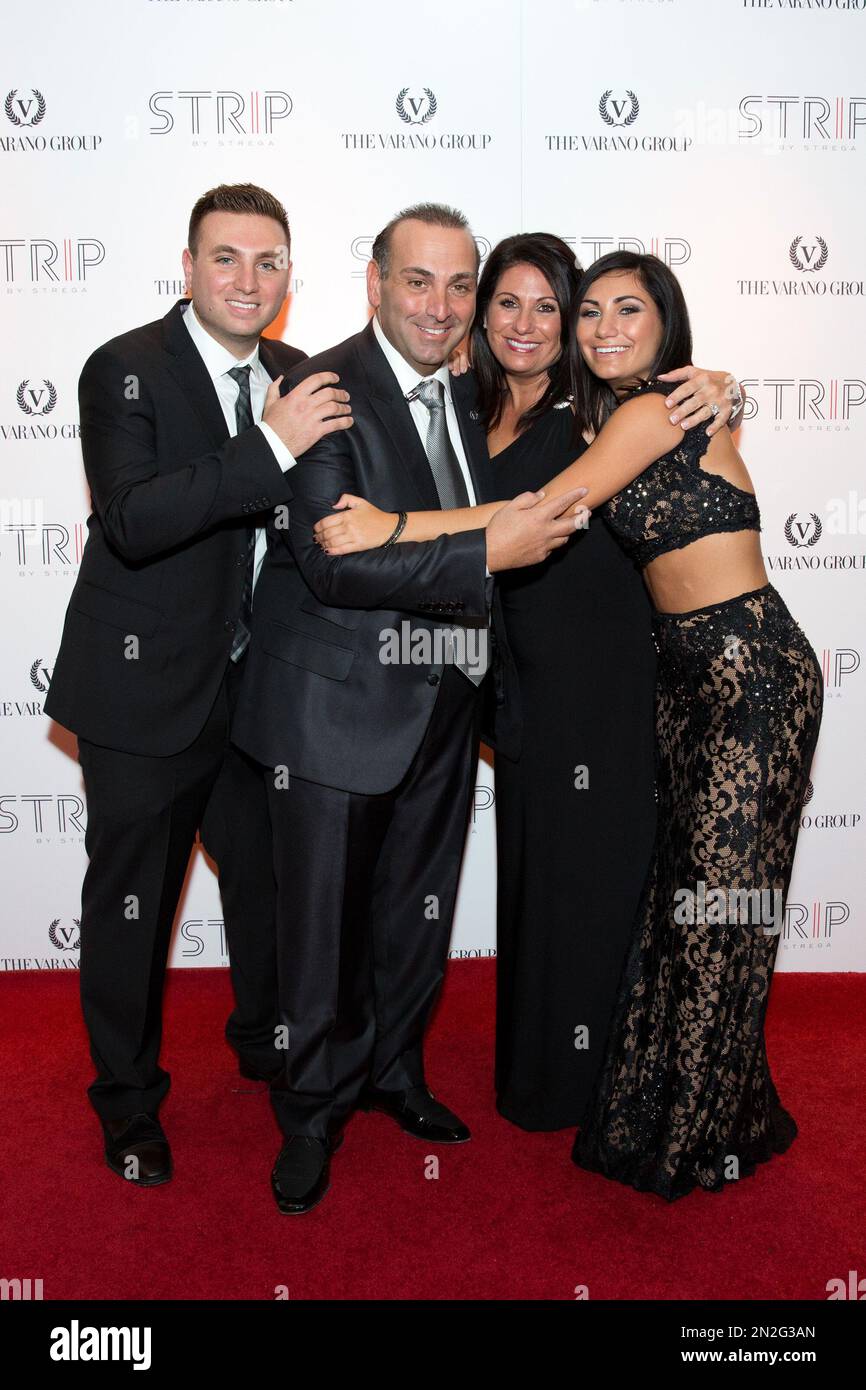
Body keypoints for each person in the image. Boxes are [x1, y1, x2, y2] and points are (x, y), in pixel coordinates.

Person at [323, 249, 822, 1200]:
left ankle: (695, 1131)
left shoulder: (649, 409)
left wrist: (390, 526)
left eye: (623, 311)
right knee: (685, 904)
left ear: (665, 322)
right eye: (588, 312)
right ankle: (682, 1101)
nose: (600, 329)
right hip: (678, 677)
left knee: (721, 910)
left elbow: (541, 511)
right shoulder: (618, 408)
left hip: (750, 672)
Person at [231, 203, 588, 1215]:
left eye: (458, 284)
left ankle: (392, 1074)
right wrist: (488, 550)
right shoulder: (320, 389)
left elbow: (600, 379)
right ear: (375, 284)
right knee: (319, 933)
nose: (440, 306)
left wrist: (707, 383)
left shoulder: (472, 391)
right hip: (332, 714)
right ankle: (308, 1113)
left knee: (411, 916)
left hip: (440, 705)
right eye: (418, 281)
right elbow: (338, 561)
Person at [45, 183, 354, 1187]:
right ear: (188, 266)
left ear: (287, 279)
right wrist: (268, 445)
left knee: (268, 892)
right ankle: (128, 1103)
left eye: (268, 262)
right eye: (227, 257)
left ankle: (267, 1049)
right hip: (141, 701)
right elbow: (133, 521)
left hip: (259, 702)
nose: (247, 279)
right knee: (134, 907)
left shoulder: (299, 376)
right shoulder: (126, 370)